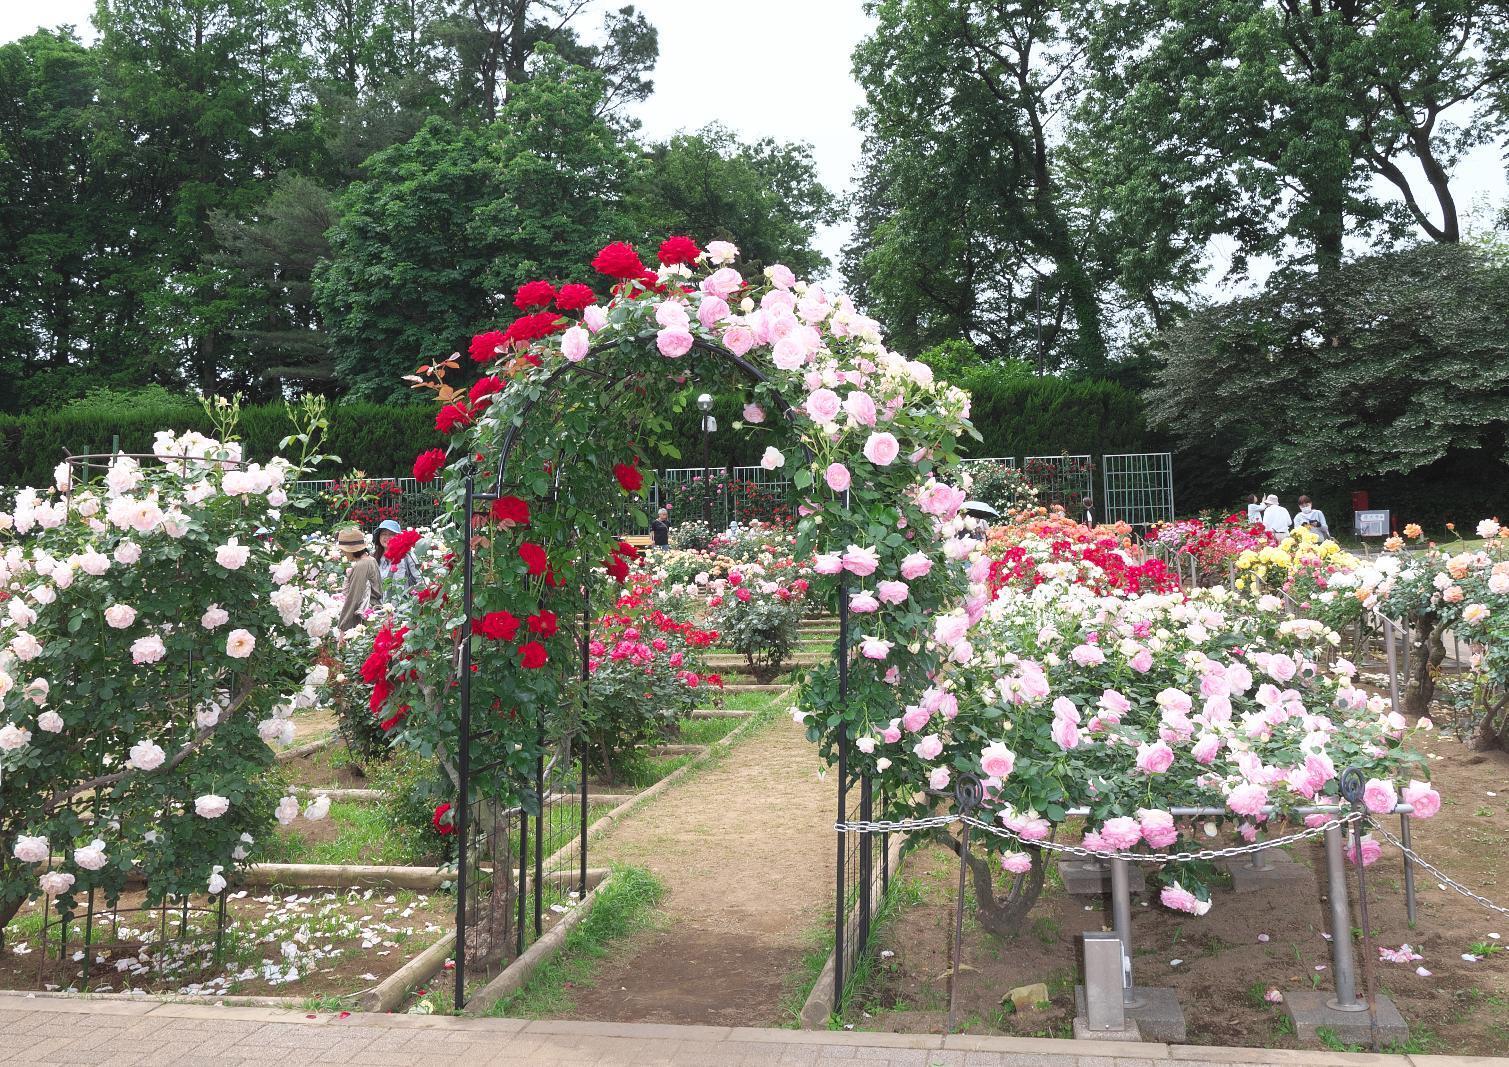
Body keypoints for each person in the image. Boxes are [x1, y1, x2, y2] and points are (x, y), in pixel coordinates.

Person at [336, 526, 381, 633]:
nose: (342, 552)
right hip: (373, 615)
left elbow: (354, 598)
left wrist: (342, 627)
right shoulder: (371, 560)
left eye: (343, 549)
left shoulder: (362, 565)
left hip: (364, 620)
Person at [375, 518, 421, 594]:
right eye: (384, 534)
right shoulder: (374, 557)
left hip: (401, 603)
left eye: (391, 534)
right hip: (378, 603)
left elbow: (419, 579)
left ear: (398, 537)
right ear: (379, 537)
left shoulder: (407, 556)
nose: (387, 537)